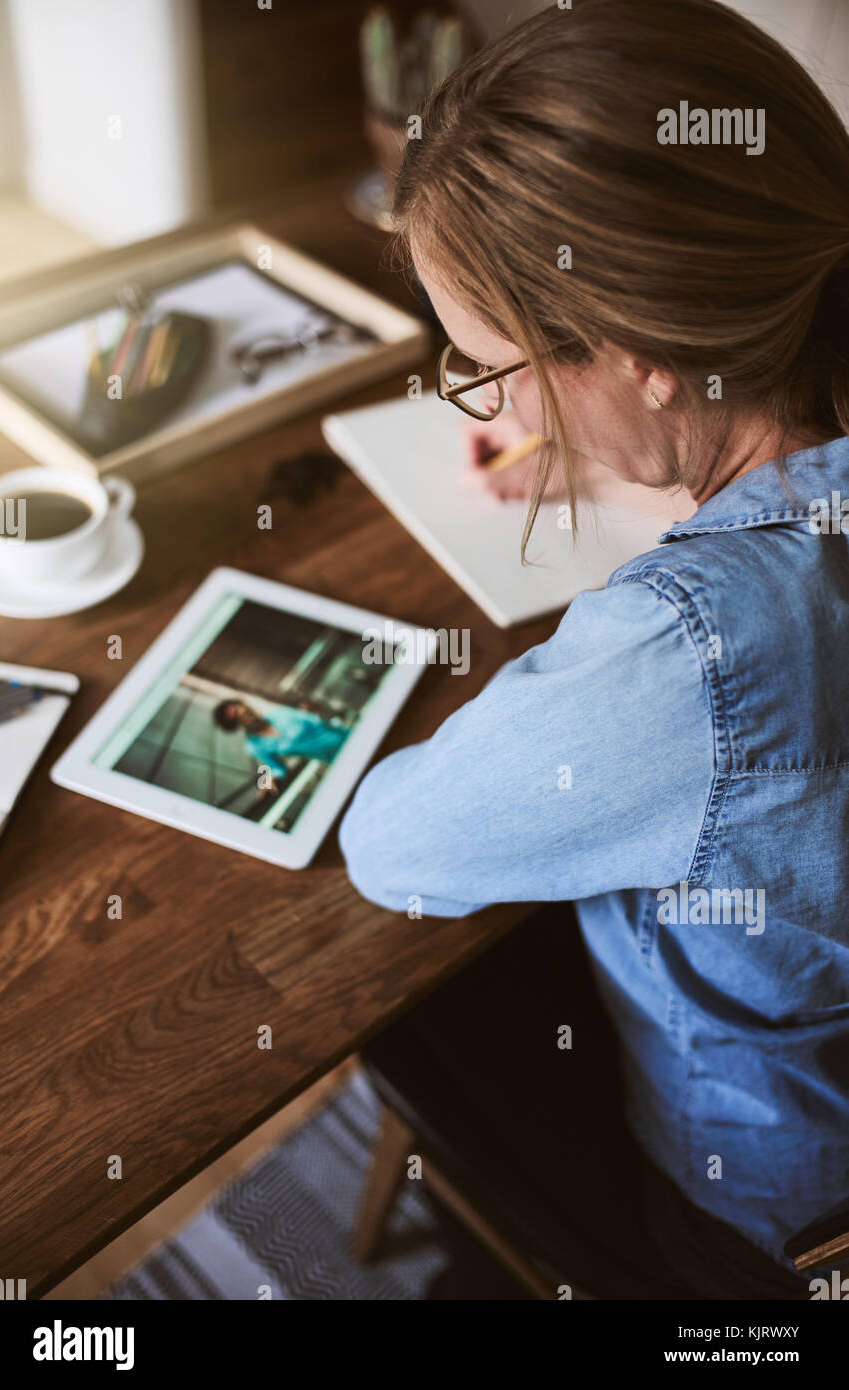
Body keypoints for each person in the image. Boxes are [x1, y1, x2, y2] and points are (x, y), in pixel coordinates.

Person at [338, 0, 849, 1292]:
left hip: (769, 1225)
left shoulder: (692, 648)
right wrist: (618, 445)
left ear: (637, 358)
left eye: (483, 365)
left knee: (415, 1010)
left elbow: (394, 845)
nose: (491, 407)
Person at [213, 696, 348, 784]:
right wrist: (269, 779)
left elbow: (319, 721)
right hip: (336, 760)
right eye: (238, 714)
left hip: (346, 738)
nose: (244, 711)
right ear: (237, 724)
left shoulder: (280, 713)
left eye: (242, 707)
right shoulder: (255, 747)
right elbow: (278, 769)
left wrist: (317, 711)